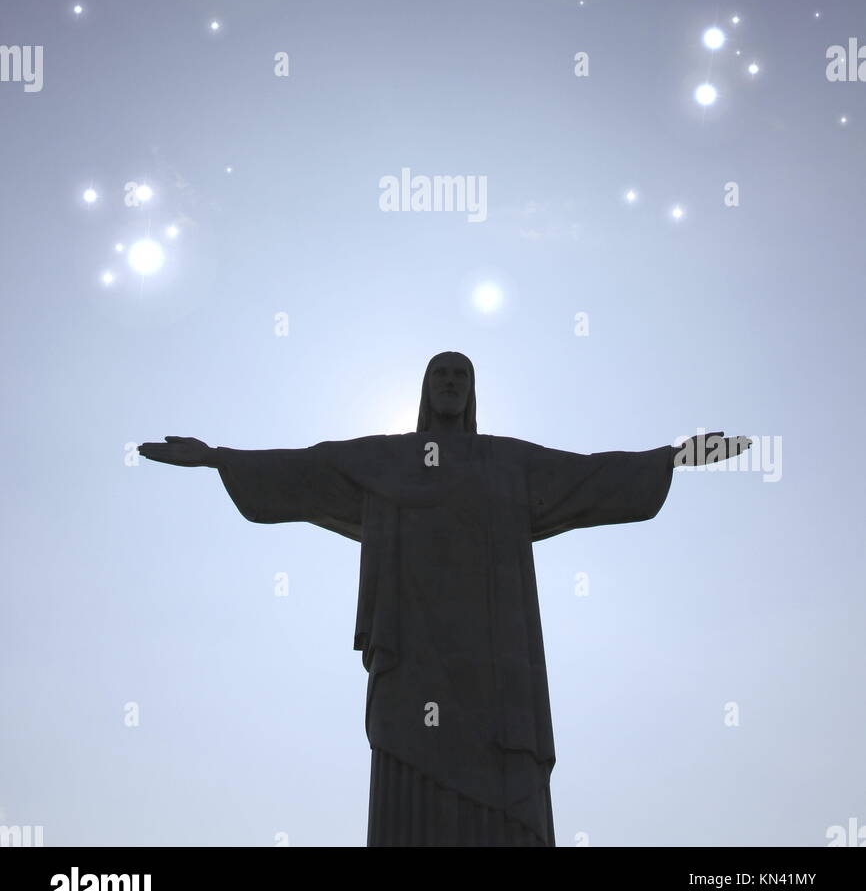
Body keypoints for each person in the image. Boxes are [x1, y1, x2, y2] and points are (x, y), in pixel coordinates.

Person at [140, 351, 750, 847]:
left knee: (500, 788)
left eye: (462, 376)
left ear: (473, 391)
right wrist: (218, 458)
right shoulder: (388, 459)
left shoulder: (504, 463)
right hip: (411, 655)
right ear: (426, 389)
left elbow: (587, 476)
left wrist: (675, 456)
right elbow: (310, 469)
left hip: (493, 666)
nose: (452, 384)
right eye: (442, 375)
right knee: (412, 767)